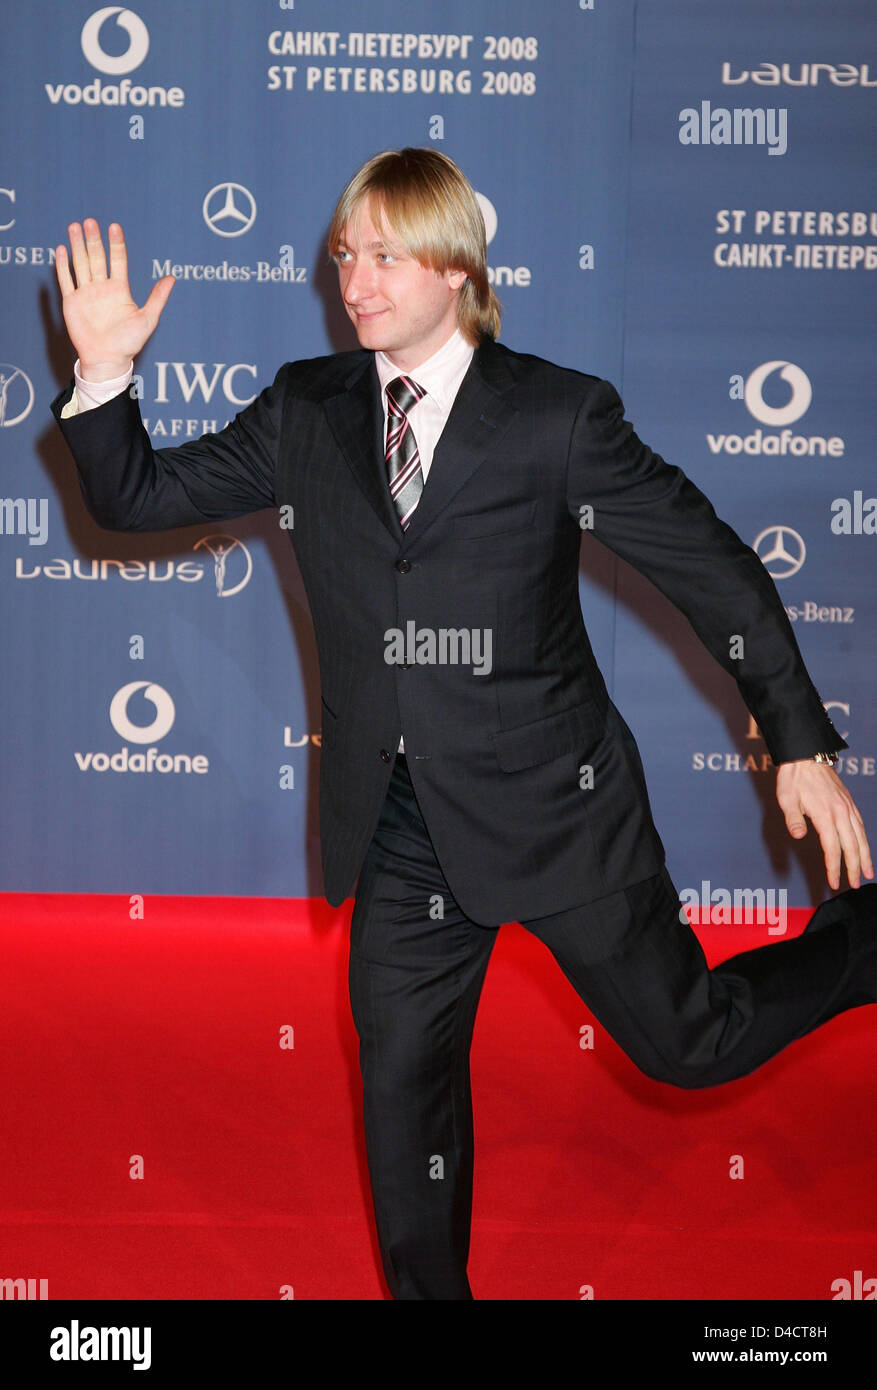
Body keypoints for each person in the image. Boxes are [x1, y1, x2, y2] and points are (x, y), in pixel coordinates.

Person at [51, 147, 875, 1301]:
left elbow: (715, 571)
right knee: (403, 1095)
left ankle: (864, 944)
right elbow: (133, 496)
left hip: (557, 812)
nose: (356, 279)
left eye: (385, 254)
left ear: (456, 266)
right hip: (401, 823)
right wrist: (102, 375)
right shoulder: (306, 408)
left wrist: (797, 738)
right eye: (346, 254)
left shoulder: (556, 417)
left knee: (690, 1045)